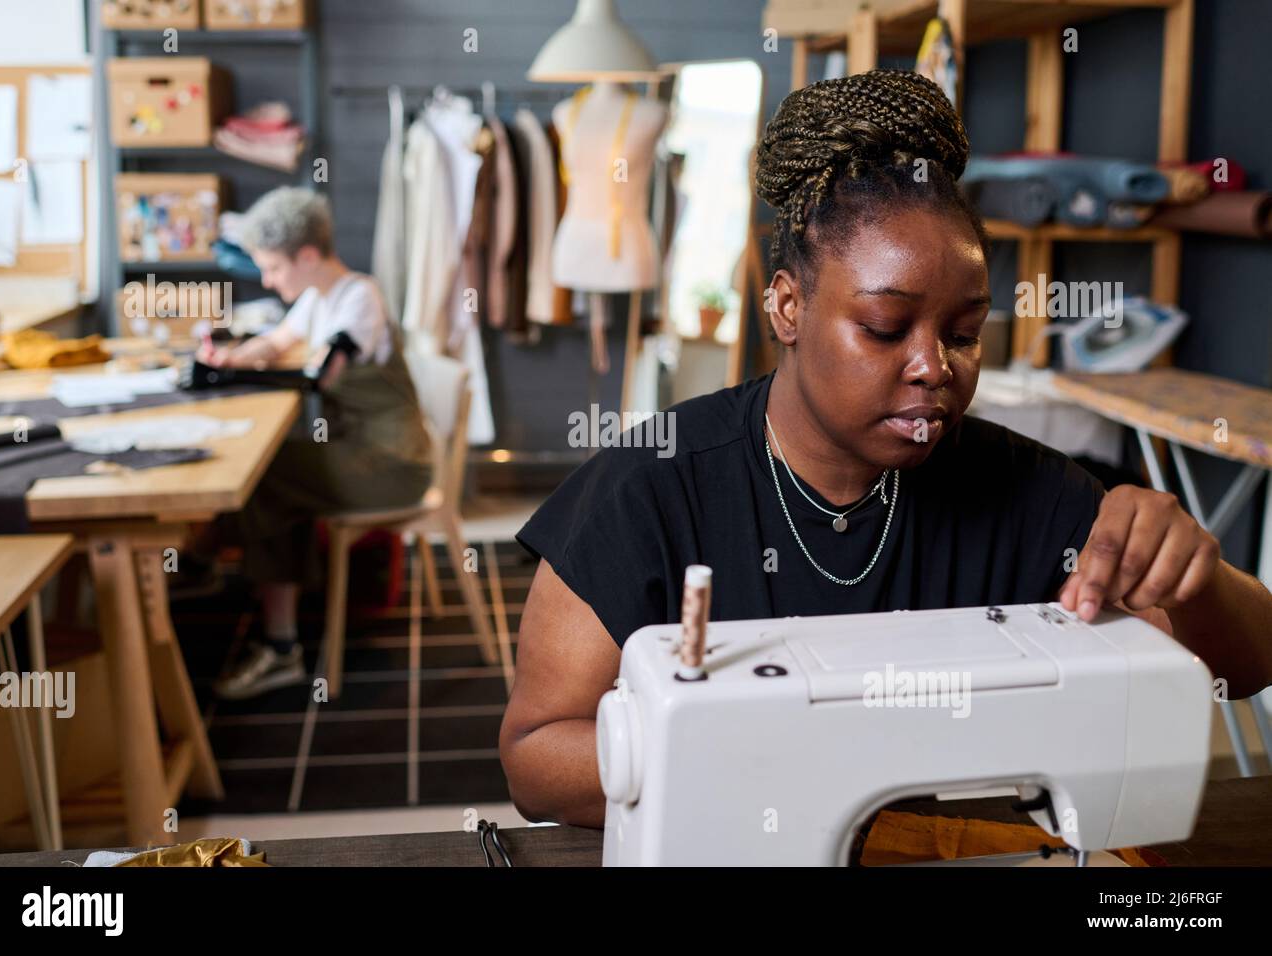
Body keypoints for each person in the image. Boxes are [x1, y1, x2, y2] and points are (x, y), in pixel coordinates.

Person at [499, 70, 1272, 827]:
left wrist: (1195, 578)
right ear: (787, 304)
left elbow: (1249, 664)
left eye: (965, 333)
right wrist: (770, 759)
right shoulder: (651, 487)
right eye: (884, 327)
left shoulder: (1025, 489)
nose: (935, 366)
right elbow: (537, 759)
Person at [201, 187, 433, 699]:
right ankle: (274, 616)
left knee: (264, 474)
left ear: (307, 256)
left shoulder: (359, 298)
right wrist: (234, 360)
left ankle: (279, 645)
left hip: (393, 465)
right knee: (276, 474)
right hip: (361, 453)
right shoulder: (316, 297)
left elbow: (323, 374)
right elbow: (277, 342)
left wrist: (246, 373)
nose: (266, 280)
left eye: (274, 269)